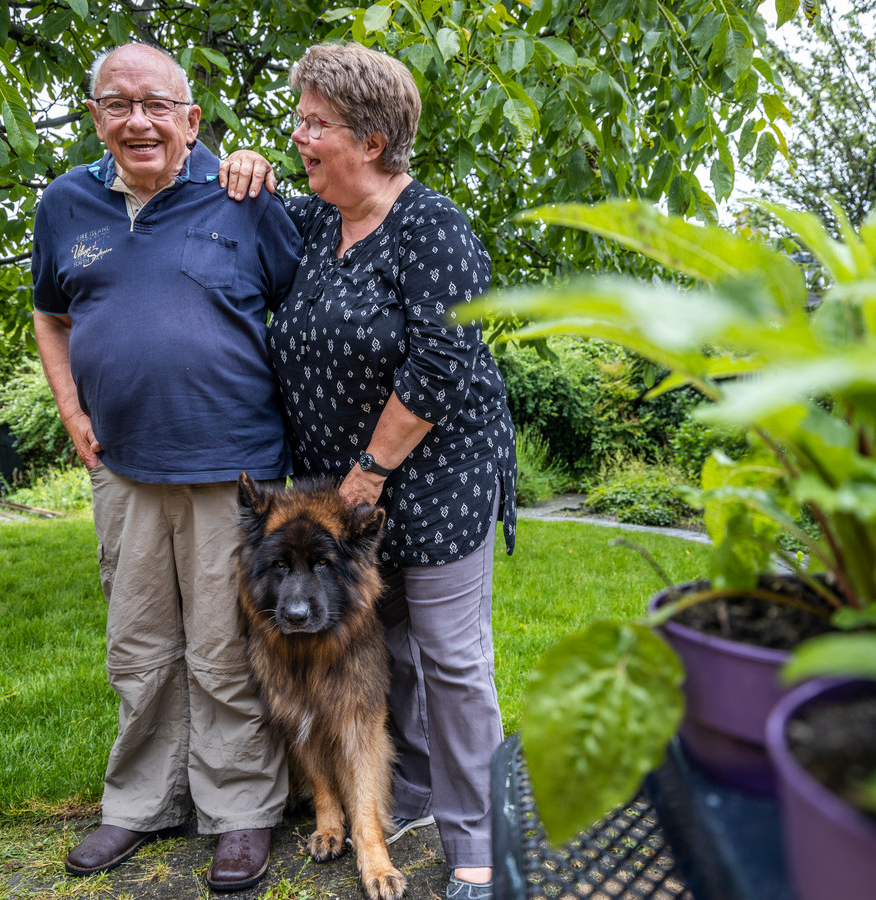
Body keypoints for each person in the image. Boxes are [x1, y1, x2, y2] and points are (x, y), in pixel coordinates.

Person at [220, 41, 517, 900]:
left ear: (373, 141)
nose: (297, 134)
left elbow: (438, 366)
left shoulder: (433, 228)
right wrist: (245, 163)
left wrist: (370, 472)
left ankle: (475, 843)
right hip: (341, 490)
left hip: (432, 479)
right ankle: (407, 790)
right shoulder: (317, 223)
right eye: (299, 119)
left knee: (453, 660)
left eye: (314, 123)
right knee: (384, 657)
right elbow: (256, 196)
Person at [30, 42, 301, 892]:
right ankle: (140, 805)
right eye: (118, 104)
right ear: (96, 118)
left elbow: (306, 310)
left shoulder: (242, 195)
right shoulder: (65, 204)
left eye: (157, 105)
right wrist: (73, 411)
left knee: (224, 649)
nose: (137, 121)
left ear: (191, 118)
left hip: (235, 466)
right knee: (139, 644)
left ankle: (241, 812)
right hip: (125, 469)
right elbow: (49, 316)